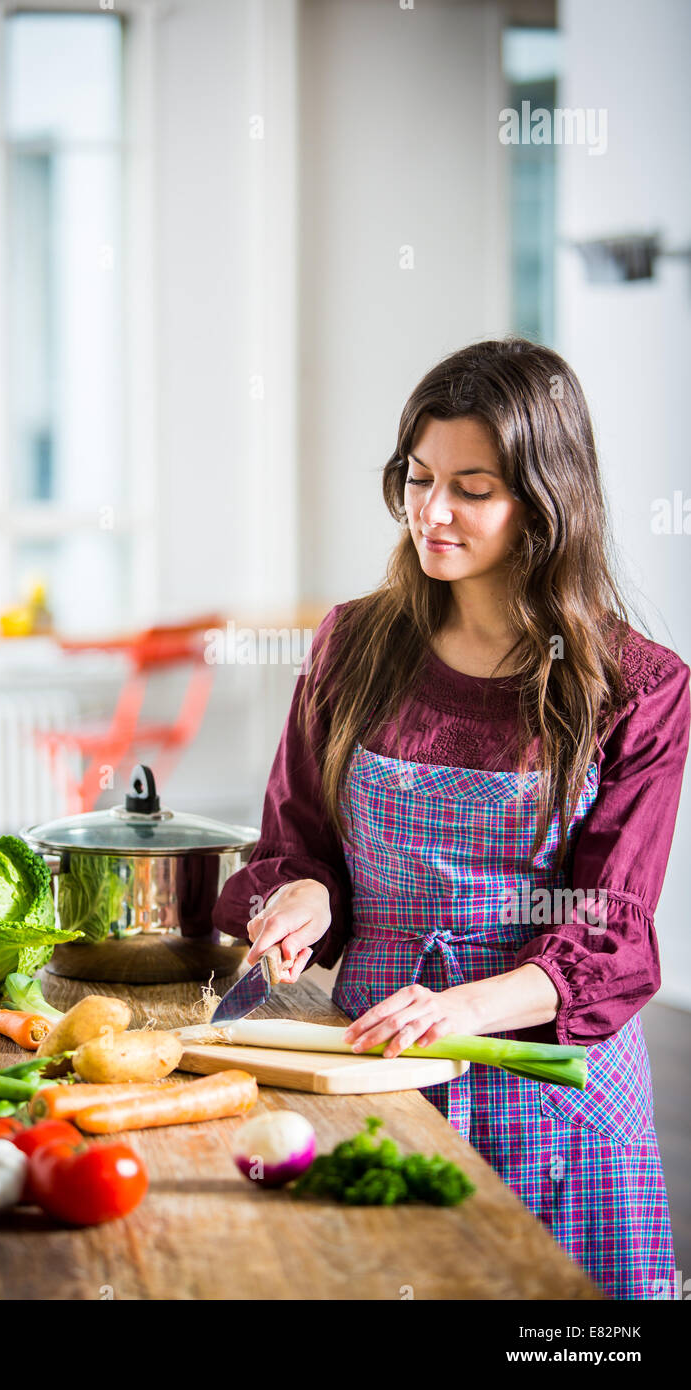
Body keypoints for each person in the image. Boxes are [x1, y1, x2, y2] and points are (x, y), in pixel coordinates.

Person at [211, 337, 690, 1301]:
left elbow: (611, 926)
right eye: (419, 478)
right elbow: (300, 839)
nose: (433, 511)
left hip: (548, 1078)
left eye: (472, 487)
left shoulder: (639, 688)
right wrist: (303, 895)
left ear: (547, 502)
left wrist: (462, 1009)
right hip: (372, 1057)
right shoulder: (353, 644)